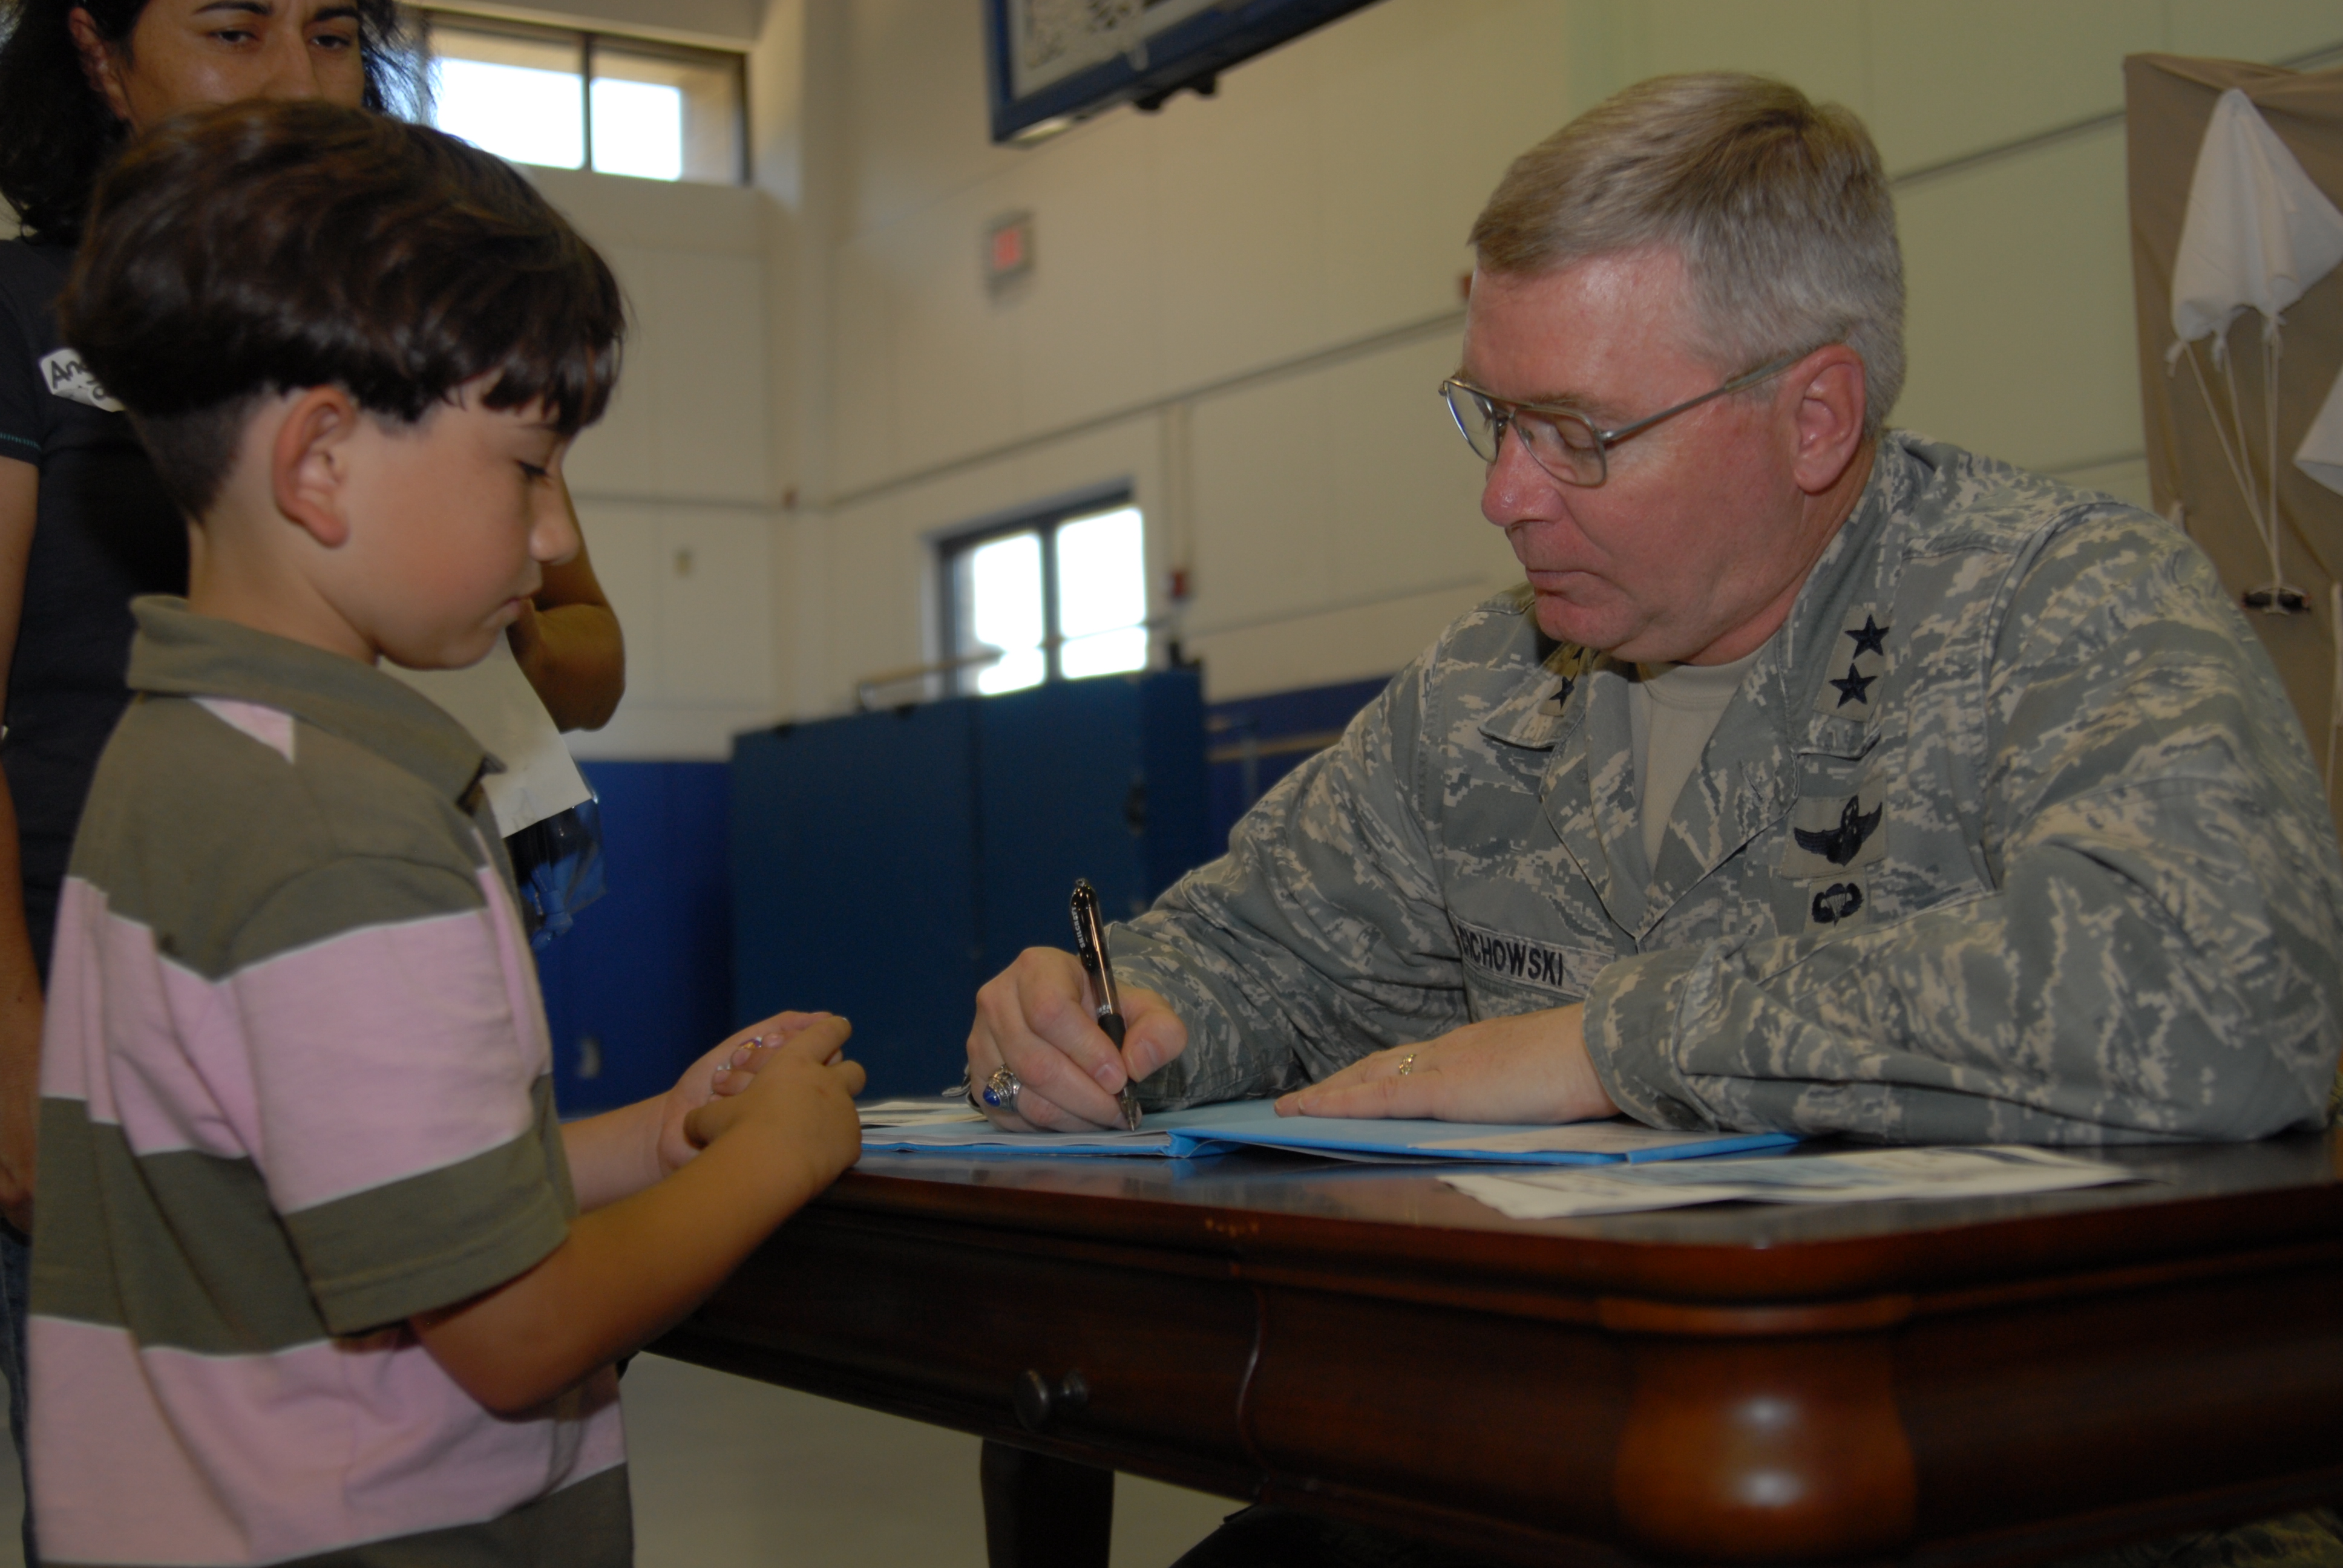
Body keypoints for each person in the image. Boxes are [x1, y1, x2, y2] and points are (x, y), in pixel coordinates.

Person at [966, 73, 2343, 1563]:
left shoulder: (2060, 609)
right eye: (1490, 416)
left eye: (1574, 432)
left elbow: (2222, 994)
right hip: (1556, 1469)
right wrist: (1113, 1020)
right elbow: (1266, 956)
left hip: (2031, 1488)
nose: (1504, 495)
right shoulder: (1488, 691)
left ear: (1813, 415)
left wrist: (1609, 1045)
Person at [27, 99, 862, 1567]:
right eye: (528, 465)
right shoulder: (335, 831)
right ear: (322, 464)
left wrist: (655, 1140)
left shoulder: (181, 758)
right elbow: (511, 1329)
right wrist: (770, 1160)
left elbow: (376, 1194)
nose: (552, 541)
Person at [0, 5, 627, 1550]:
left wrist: (498, 571)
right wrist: (14, 1061)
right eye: (231, 27)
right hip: (144, 967)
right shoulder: (28, 323)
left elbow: (585, 639)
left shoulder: (418, 334)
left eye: (335, 33)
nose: (294, 72)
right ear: (99, 51)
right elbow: (515, 1329)